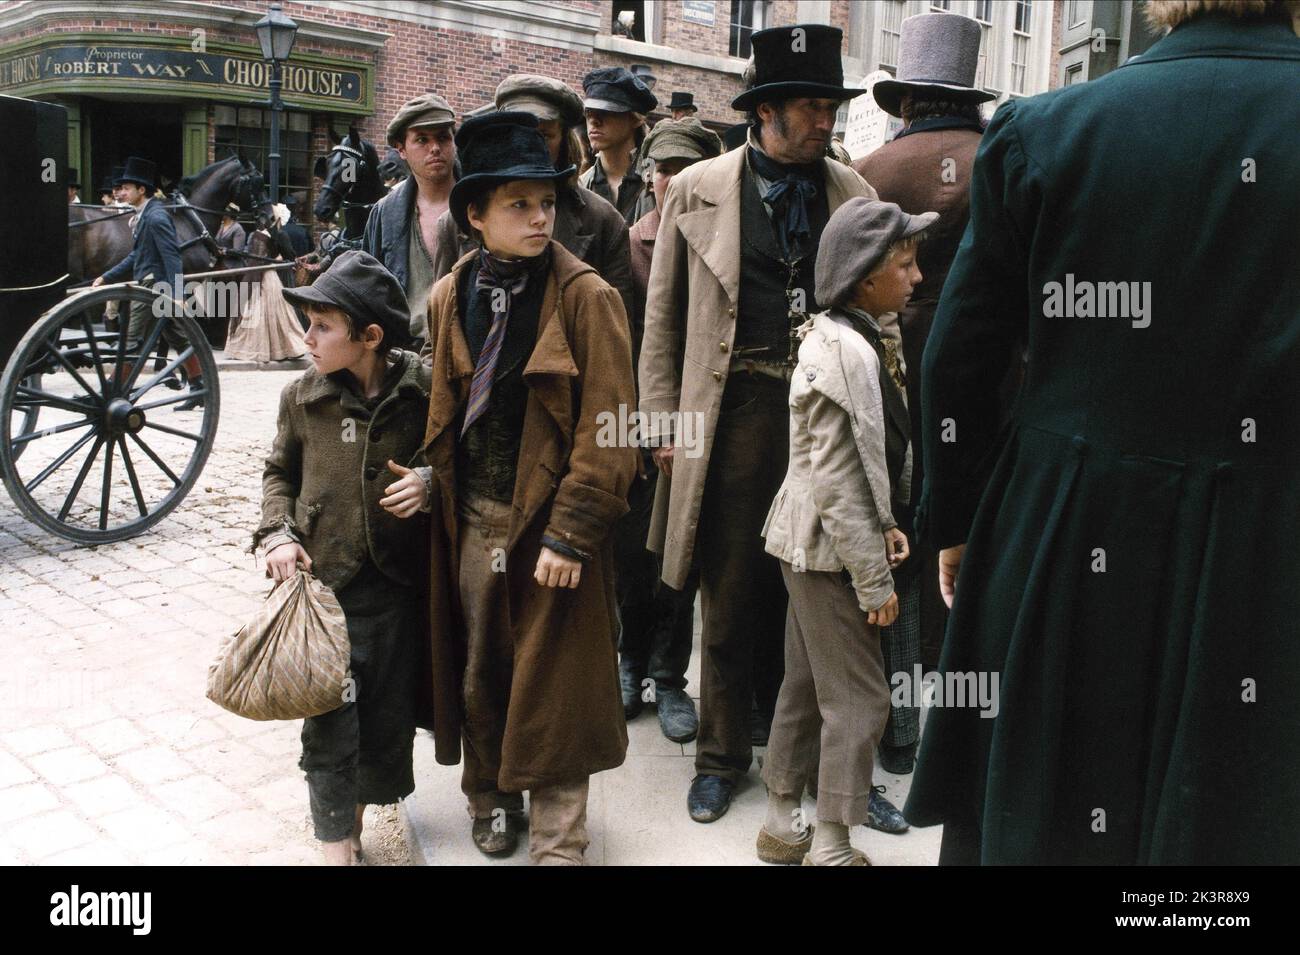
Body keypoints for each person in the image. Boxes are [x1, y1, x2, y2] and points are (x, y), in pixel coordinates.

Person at [905, 0, 1300, 865]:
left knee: (1053, 803)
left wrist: (961, 521)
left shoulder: (1049, 131)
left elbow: (956, 363)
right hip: (1270, 551)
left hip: (1069, 530)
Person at [639, 23, 877, 824]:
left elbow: (885, 320)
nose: (823, 122)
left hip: (826, 417)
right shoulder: (698, 188)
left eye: (829, 107)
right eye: (808, 107)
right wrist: (662, 424)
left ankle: (813, 763)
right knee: (731, 589)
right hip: (735, 413)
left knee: (823, 592)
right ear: (764, 111)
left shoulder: (855, 193)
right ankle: (718, 757)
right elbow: (663, 320)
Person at [420, 112, 638, 864]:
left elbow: (612, 427)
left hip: (550, 522)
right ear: (475, 215)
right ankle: (489, 799)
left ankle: (558, 837)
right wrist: (428, 481)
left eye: (545, 201)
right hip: (475, 515)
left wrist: (573, 530)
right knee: (483, 666)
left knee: (557, 685)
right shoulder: (450, 295)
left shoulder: (587, 299)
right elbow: (442, 409)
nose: (540, 216)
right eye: (518, 204)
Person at [755, 198, 931, 866]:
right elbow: (837, 482)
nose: (916, 277)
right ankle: (830, 843)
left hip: (811, 543)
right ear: (865, 279)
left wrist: (883, 525)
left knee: (805, 685)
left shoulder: (846, 334)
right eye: (905, 264)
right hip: (826, 552)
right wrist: (874, 577)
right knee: (861, 698)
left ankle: (780, 822)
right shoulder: (845, 351)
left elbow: (858, 466)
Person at [852, 9, 998, 775]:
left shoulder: (871, 171)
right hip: (990, 376)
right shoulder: (996, 157)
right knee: (966, 520)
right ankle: (956, 690)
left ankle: (892, 709)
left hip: (889, 370)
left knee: (893, 526)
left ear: (906, 97)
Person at [255, 249, 431, 867]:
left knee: (384, 721)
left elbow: (463, 458)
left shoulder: (423, 391)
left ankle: (353, 824)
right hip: (322, 594)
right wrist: (277, 533)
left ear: (371, 337)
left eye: (322, 326)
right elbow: (278, 474)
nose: (306, 338)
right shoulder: (302, 398)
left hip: (396, 594)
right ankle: (336, 850)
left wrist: (431, 483)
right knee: (328, 723)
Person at [617, 118, 721, 743]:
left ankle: (671, 674)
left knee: (684, 551)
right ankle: (630, 663)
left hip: (698, 419)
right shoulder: (630, 242)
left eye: (681, 169)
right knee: (635, 553)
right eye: (660, 169)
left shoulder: (718, 236)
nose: (669, 180)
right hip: (631, 419)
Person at [431, 73, 634, 323]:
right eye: (519, 132)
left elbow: (618, 330)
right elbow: (440, 330)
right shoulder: (455, 222)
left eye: (544, 134)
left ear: (564, 138)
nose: (530, 144)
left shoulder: (603, 221)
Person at [92, 156, 206, 411]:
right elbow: (137, 255)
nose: (122, 192)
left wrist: (176, 293)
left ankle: (113, 390)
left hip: (154, 287)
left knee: (132, 338)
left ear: (141, 190)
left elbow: (171, 256)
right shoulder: (145, 215)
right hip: (152, 284)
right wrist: (107, 276)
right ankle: (199, 386)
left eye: (127, 188)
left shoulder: (155, 217)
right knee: (177, 336)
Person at [362, 93, 457, 347]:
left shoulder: (480, 204)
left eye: (443, 137)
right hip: (406, 352)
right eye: (422, 140)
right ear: (401, 149)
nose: (435, 148)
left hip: (468, 350)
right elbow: (371, 290)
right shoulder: (385, 213)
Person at [578, 66, 656, 225]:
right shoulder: (580, 186)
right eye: (589, 112)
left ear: (636, 119)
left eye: (606, 112)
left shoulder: (657, 182)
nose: (594, 121)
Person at [225, 224, 308, 363]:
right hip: (269, 274)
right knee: (277, 312)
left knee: (253, 309)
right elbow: (289, 255)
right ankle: (284, 348)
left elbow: (251, 255)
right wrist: (280, 258)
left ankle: (247, 348)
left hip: (252, 273)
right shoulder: (279, 234)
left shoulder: (255, 234)